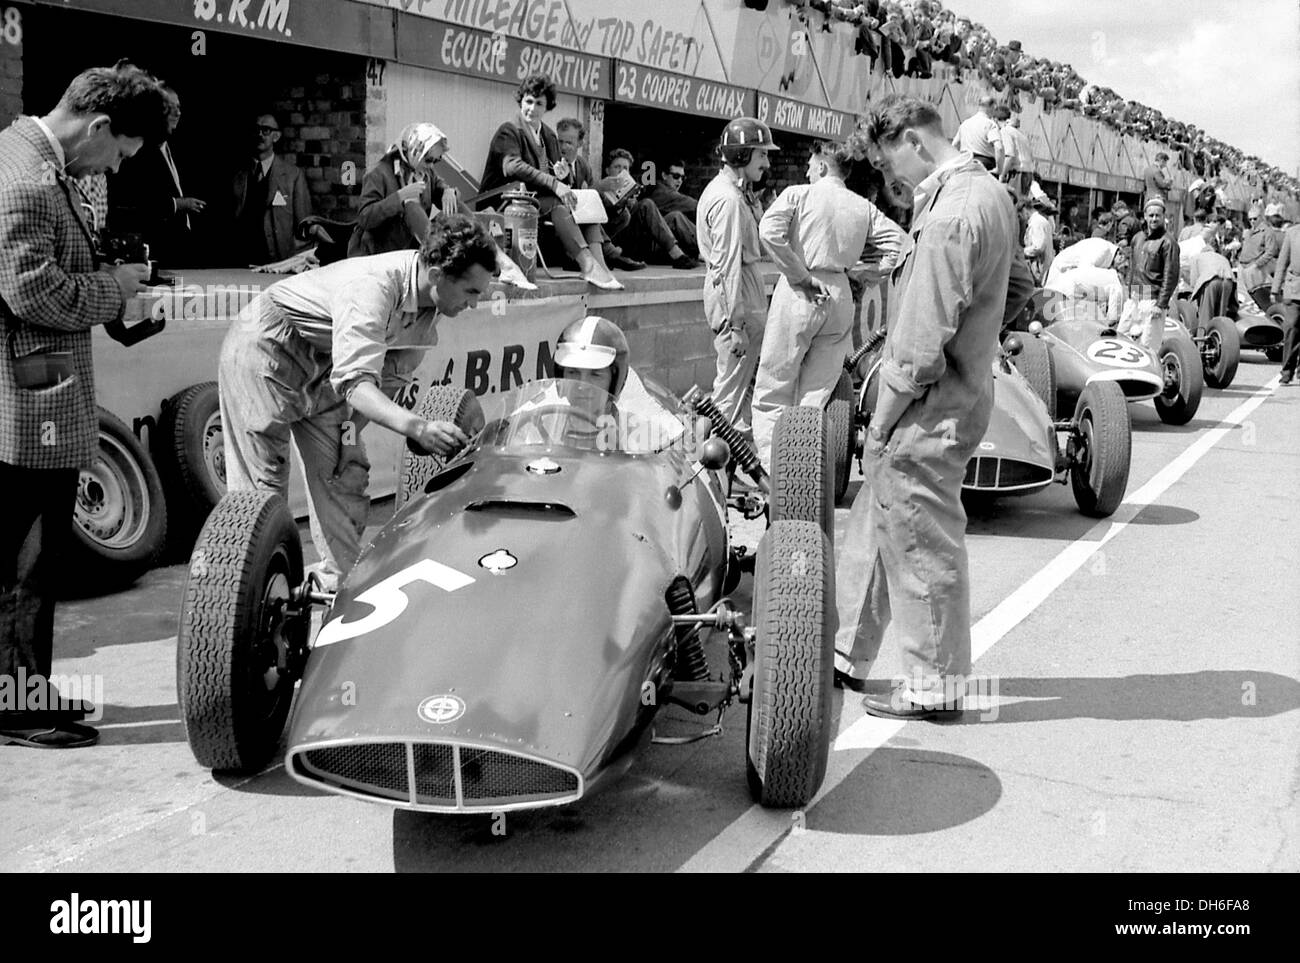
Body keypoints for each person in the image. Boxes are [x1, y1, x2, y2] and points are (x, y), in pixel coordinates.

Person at [836, 94, 1032, 715]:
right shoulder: (991, 195)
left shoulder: (950, 214)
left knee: (920, 538)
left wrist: (882, 415)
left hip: (927, 402)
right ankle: (847, 653)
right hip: (960, 391)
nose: (895, 186)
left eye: (895, 171)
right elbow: (1023, 284)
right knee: (884, 515)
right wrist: (981, 336)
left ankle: (935, 686)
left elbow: (919, 349)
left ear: (915, 143)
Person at [0, 63, 170, 749]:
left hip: (37, 397)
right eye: (122, 153)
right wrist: (113, 286)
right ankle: (14, 706)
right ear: (100, 126)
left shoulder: (30, 161)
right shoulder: (27, 183)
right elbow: (32, 293)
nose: (118, 169)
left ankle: (25, 686)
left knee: (31, 562)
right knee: (24, 565)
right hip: (26, 407)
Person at [218, 215, 498, 589]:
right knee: (262, 498)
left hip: (324, 366)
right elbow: (356, 385)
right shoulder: (373, 288)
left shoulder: (430, 314)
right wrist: (418, 427)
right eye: (471, 292)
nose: (475, 304)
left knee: (344, 472)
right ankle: (259, 602)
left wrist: (350, 437)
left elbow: (378, 385)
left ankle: (340, 590)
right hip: (266, 348)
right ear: (438, 274)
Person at [751, 139, 903, 473]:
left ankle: (770, 468)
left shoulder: (799, 194)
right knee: (816, 391)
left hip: (800, 290)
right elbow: (903, 245)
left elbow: (769, 232)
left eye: (809, 164)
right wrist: (869, 273)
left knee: (774, 385)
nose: (806, 170)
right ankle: (802, 465)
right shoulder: (861, 206)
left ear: (821, 166)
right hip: (840, 290)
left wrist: (800, 275)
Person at [348, 122, 535, 289]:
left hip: (409, 246)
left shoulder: (426, 173)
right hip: (378, 250)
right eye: (429, 159)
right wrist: (399, 198)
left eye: (437, 161)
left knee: (456, 206)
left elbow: (442, 187)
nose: (431, 165)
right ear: (414, 151)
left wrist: (449, 192)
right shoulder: (379, 173)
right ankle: (443, 262)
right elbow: (365, 217)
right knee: (411, 206)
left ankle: (499, 261)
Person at [477, 74, 620, 290]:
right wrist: (555, 184)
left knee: (586, 203)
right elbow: (512, 166)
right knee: (557, 203)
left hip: (534, 201)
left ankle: (601, 267)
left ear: (547, 107)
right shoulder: (509, 131)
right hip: (502, 201)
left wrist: (562, 176)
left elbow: (556, 175)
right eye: (528, 101)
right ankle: (587, 265)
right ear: (521, 101)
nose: (532, 108)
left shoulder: (549, 136)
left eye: (539, 103)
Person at [696, 117, 779, 449]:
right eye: (762, 154)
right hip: (737, 294)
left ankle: (723, 467)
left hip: (744, 291)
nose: (767, 162)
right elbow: (726, 265)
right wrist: (737, 325)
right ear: (743, 155)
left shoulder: (737, 194)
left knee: (737, 396)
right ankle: (702, 468)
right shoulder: (728, 200)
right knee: (727, 400)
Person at [552, 314, 686, 452]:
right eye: (573, 373)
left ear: (615, 381)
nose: (582, 385)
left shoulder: (642, 436)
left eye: (595, 375)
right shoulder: (542, 426)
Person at [108, 86, 205, 265]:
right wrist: (176, 205)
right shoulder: (134, 152)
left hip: (185, 254)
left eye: (179, 107)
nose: (178, 113)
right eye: (170, 107)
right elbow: (127, 207)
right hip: (156, 257)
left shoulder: (176, 149)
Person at [231, 111, 316, 266]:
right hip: (241, 262)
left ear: (276, 136)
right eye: (256, 129)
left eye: (266, 130)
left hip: (276, 262)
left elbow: (305, 226)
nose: (260, 134)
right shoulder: (238, 175)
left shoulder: (292, 176)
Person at [602, 148, 698, 269]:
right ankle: (678, 254)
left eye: (625, 168)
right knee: (647, 204)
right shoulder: (601, 188)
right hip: (615, 242)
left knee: (674, 216)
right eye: (617, 167)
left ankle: (702, 249)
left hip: (638, 240)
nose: (621, 171)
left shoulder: (631, 190)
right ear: (607, 170)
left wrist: (631, 203)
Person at [1124, 197, 1180, 353]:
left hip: (1153, 300)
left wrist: (1161, 304)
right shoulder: (1137, 238)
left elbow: (1171, 275)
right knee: (1123, 338)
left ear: (1163, 217)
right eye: (1151, 215)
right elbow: (1132, 268)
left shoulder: (1168, 242)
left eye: (1158, 215)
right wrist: (1129, 295)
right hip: (1135, 297)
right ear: (1145, 216)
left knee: (1148, 347)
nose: (1154, 219)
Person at [1044, 239, 1128, 324]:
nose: (1119, 268)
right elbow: (1085, 268)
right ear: (1121, 256)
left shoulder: (1107, 252)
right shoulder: (1104, 249)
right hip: (1063, 272)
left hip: (1069, 277)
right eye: (1124, 266)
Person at [643, 158, 699, 257]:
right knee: (676, 217)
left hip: (662, 244)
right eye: (676, 176)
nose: (680, 181)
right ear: (664, 175)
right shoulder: (660, 192)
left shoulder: (667, 192)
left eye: (683, 177)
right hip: (651, 245)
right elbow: (694, 205)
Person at [1270, 221, 1300, 384]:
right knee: (1291, 328)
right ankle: (1287, 371)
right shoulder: (1292, 233)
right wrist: (1275, 289)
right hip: (1294, 287)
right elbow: (1282, 262)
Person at [1239, 202, 1284, 305]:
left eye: (1255, 218)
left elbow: (1270, 252)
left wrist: (1256, 265)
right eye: (1250, 219)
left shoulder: (1267, 231)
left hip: (1256, 268)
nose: (1252, 221)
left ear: (1261, 217)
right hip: (1243, 267)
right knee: (1246, 300)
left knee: (1258, 297)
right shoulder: (1249, 232)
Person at [951, 94, 1004, 173]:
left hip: (965, 162)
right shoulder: (990, 124)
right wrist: (999, 169)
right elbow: (999, 148)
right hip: (984, 165)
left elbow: (954, 145)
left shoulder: (965, 123)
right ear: (992, 107)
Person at [1023, 194, 1056, 283]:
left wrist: (1021, 252)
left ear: (1025, 210)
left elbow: (1038, 247)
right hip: (1042, 266)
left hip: (1039, 268)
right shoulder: (1040, 221)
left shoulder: (1037, 222)